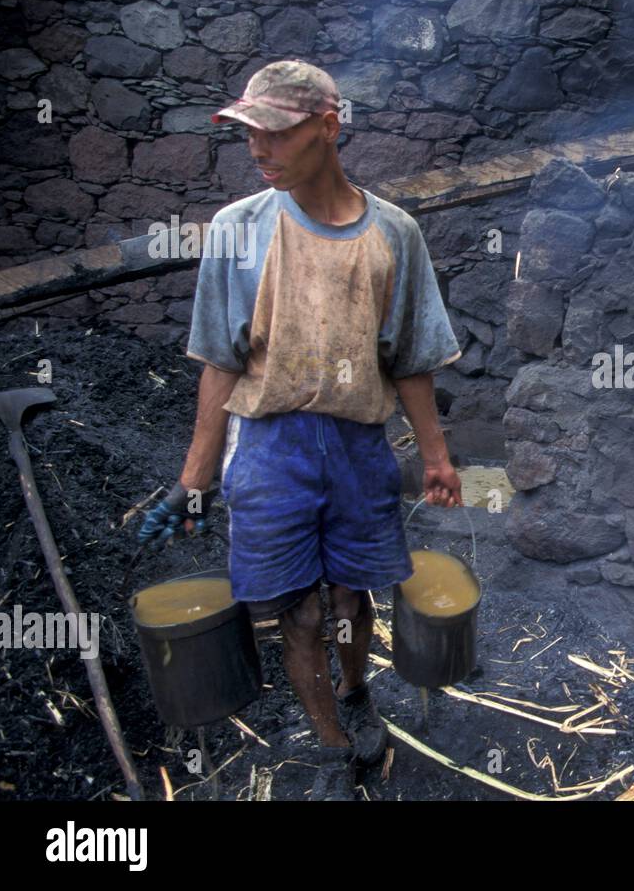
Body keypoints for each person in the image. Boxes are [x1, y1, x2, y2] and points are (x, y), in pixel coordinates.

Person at [136, 60, 464, 800]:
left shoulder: (395, 233)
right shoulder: (238, 230)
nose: (259, 149)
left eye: (275, 133)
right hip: (270, 448)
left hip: (356, 447)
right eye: (249, 134)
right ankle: (326, 742)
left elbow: (410, 356)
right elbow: (218, 361)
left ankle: (356, 693)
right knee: (299, 610)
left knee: (350, 597)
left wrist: (438, 456)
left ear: (327, 127)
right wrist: (194, 481)